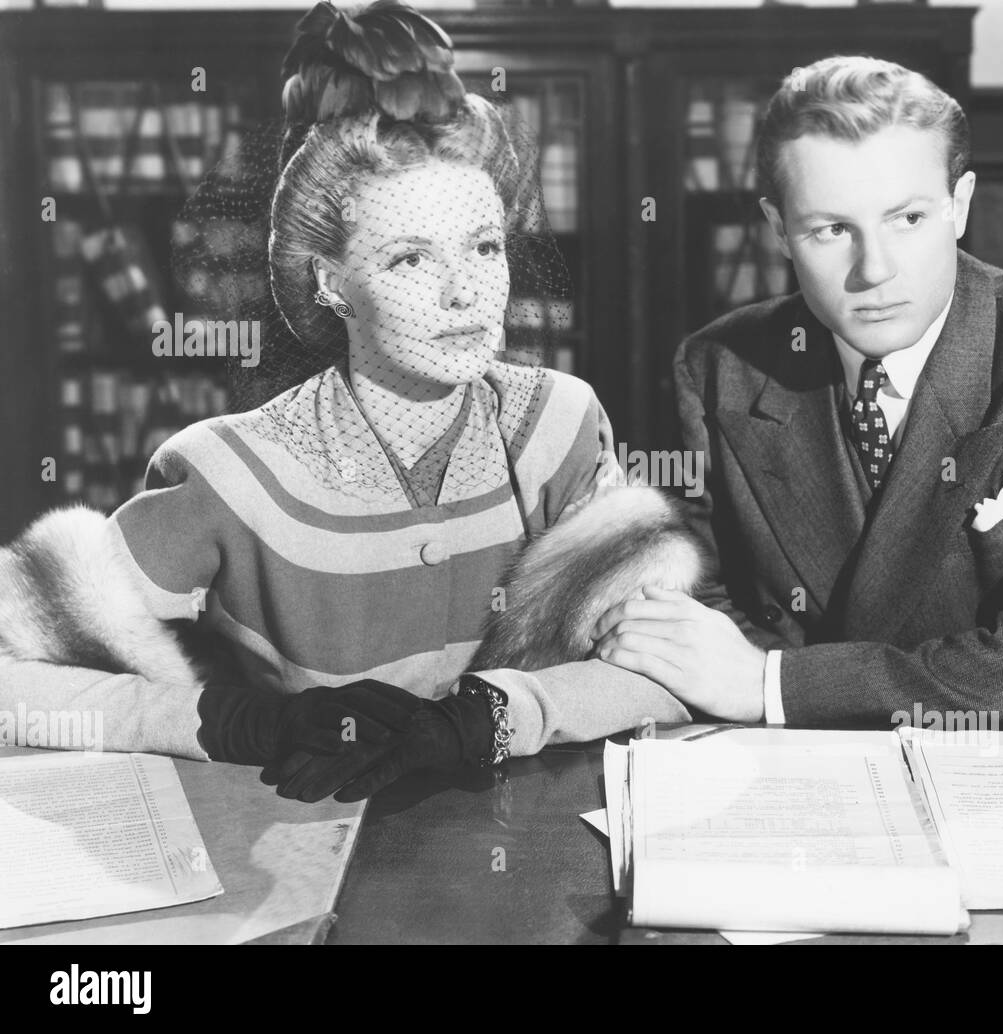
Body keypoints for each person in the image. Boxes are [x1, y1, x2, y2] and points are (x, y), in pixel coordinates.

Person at [0, 1, 691, 801]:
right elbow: (14, 687)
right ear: (330, 283)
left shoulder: (557, 424)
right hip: (311, 854)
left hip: (524, 857)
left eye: (486, 246)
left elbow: (668, 665)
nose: (465, 294)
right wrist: (231, 723)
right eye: (407, 260)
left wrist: (492, 716)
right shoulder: (233, 471)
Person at [593, 56, 1003, 730]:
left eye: (908, 219)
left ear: (960, 205)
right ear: (778, 229)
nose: (876, 270)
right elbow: (688, 609)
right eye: (831, 230)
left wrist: (778, 685)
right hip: (785, 771)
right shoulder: (718, 367)